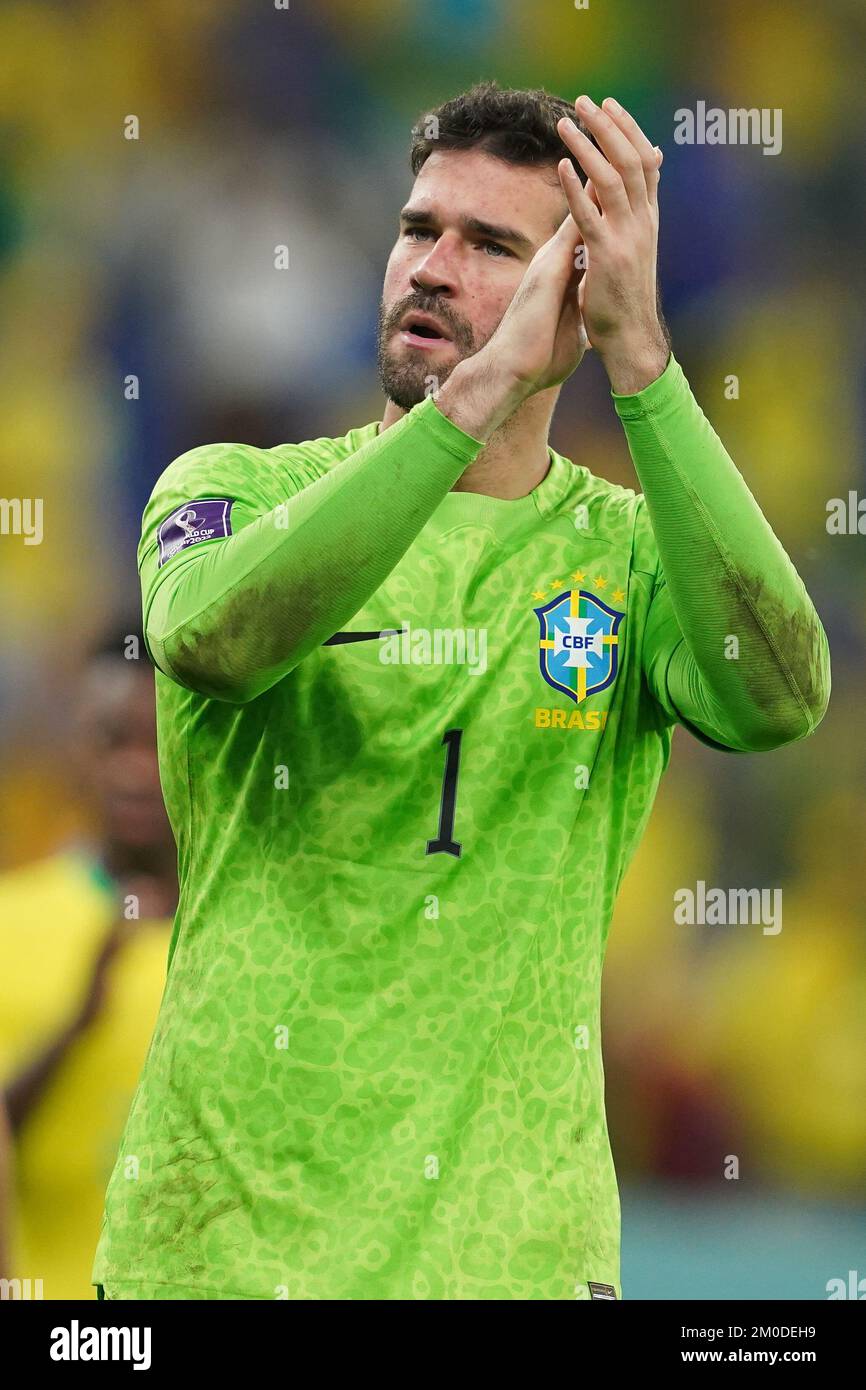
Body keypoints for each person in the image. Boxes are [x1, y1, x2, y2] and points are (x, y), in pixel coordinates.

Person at [93, 82, 830, 1301]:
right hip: (216, 1254)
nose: (430, 268)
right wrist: (473, 397)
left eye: (490, 245)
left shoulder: (630, 557)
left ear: (577, 289)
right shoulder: (226, 485)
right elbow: (214, 636)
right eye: (416, 228)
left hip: (510, 1264)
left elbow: (776, 696)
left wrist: (640, 359)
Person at [0, 625, 177, 1298]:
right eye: (111, 740)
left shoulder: (258, 937)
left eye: (156, 742)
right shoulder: (9, 924)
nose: (133, 768)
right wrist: (74, 1027)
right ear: (75, 747)